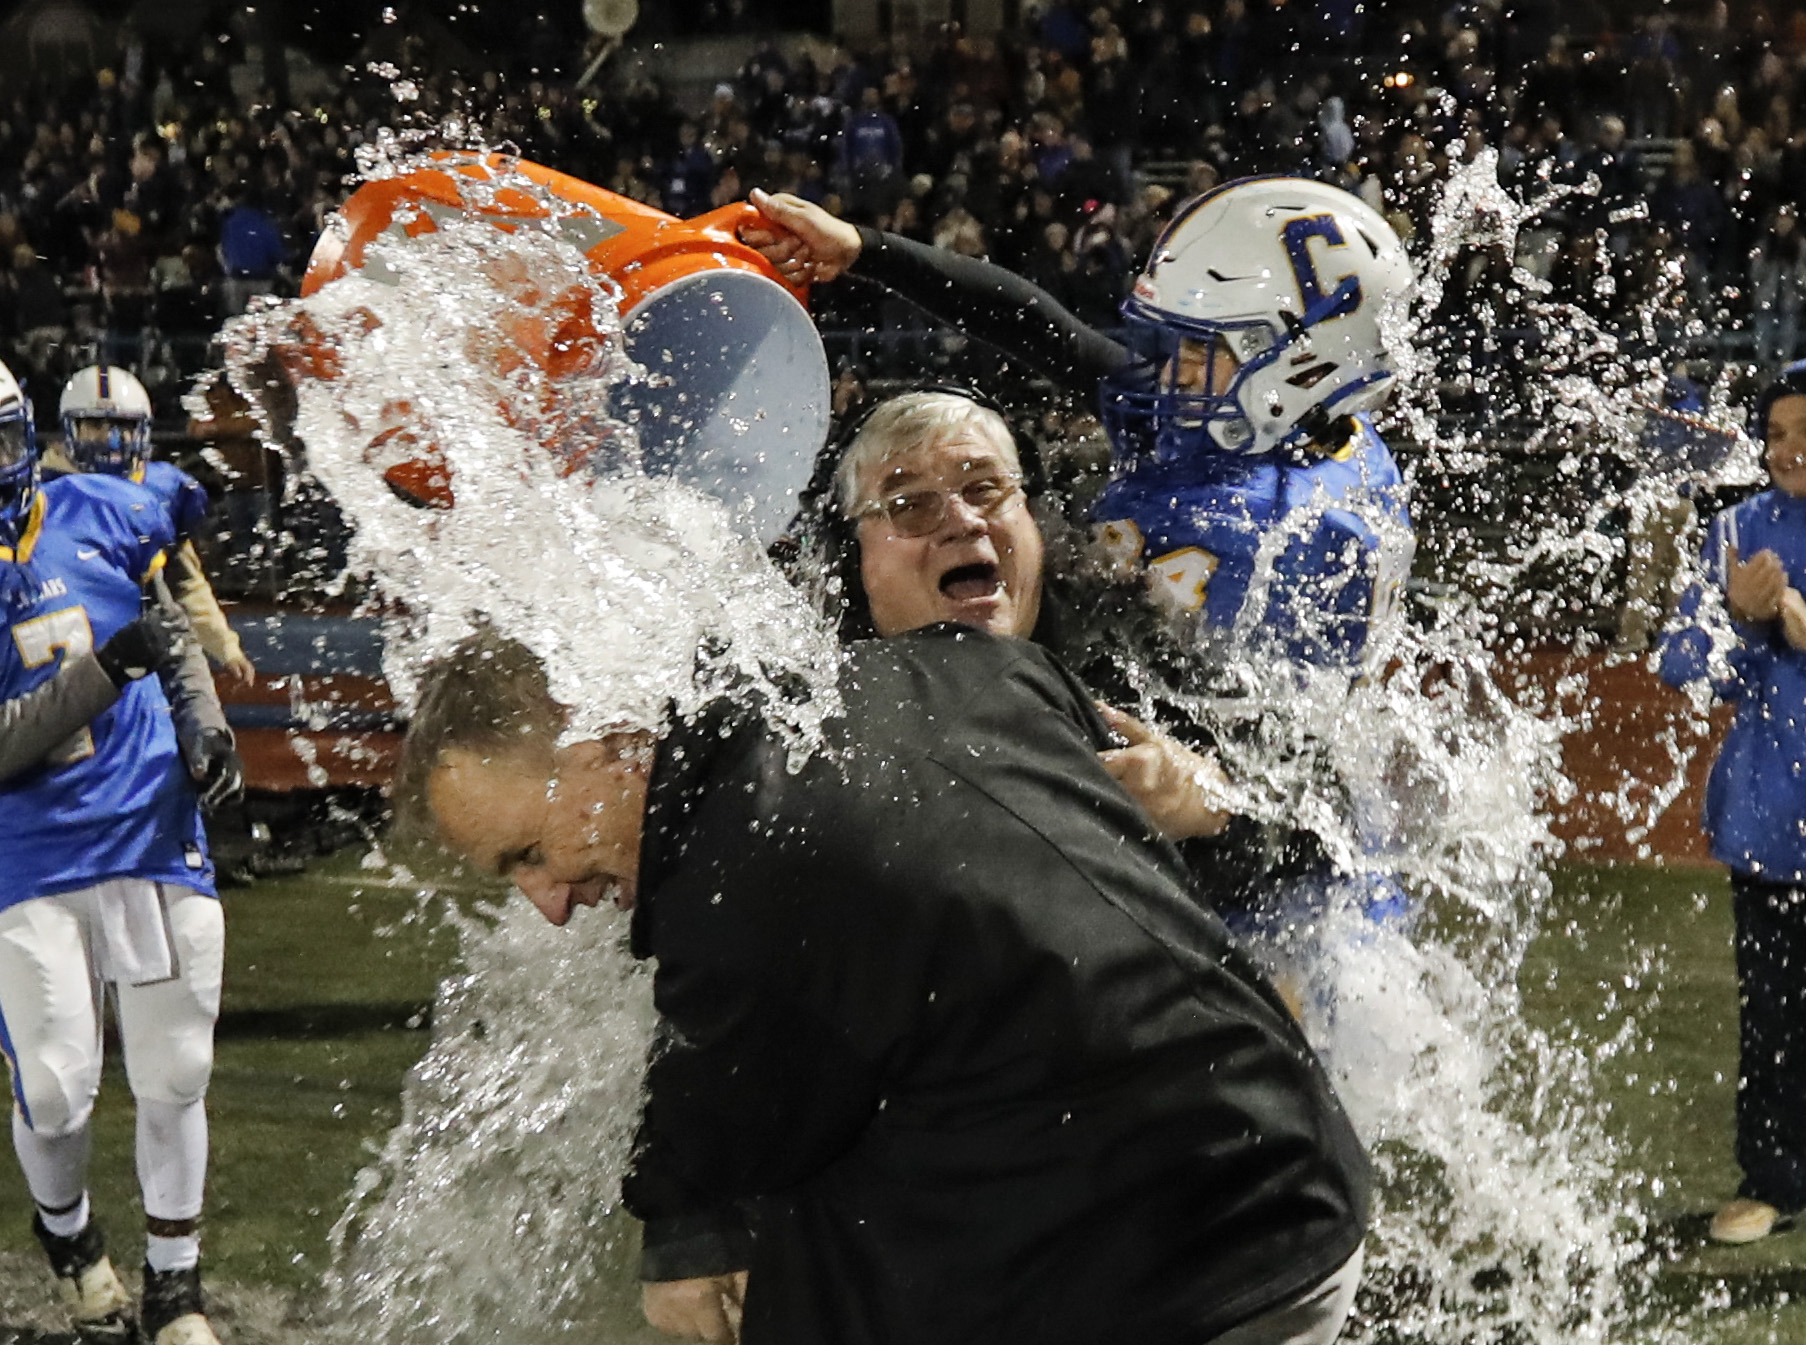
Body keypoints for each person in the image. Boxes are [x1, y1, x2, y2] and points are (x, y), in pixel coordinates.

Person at [405, 621, 1371, 1345]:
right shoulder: (967, 661)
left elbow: (711, 1144)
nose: (548, 902)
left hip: (1208, 1273)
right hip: (1303, 1173)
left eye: (529, 851)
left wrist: (686, 1249)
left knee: (801, 1249)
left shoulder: (739, 888)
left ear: (604, 740)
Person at [0, 358, 243, 1345]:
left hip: (147, 814)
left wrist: (204, 725)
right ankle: (68, 1232)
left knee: (177, 1062)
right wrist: (108, 672)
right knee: (56, 1087)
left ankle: (175, 1286)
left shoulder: (102, 508)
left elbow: (169, 630)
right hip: (30, 848)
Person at [1659, 359, 1806, 1246]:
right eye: (1779, 434)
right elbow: (1682, 666)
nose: (1790, 452)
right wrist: (1738, 618)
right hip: (1770, 820)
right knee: (1776, 1019)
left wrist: (1791, 612)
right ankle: (1775, 1177)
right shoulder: (1739, 528)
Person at [54, 365, 254, 686]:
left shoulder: (158, 493)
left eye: (122, 426)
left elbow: (184, 582)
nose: (110, 439)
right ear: (70, 429)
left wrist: (224, 645)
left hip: (135, 647)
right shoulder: (44, 493)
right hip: (63, 651)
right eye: (94, 425)